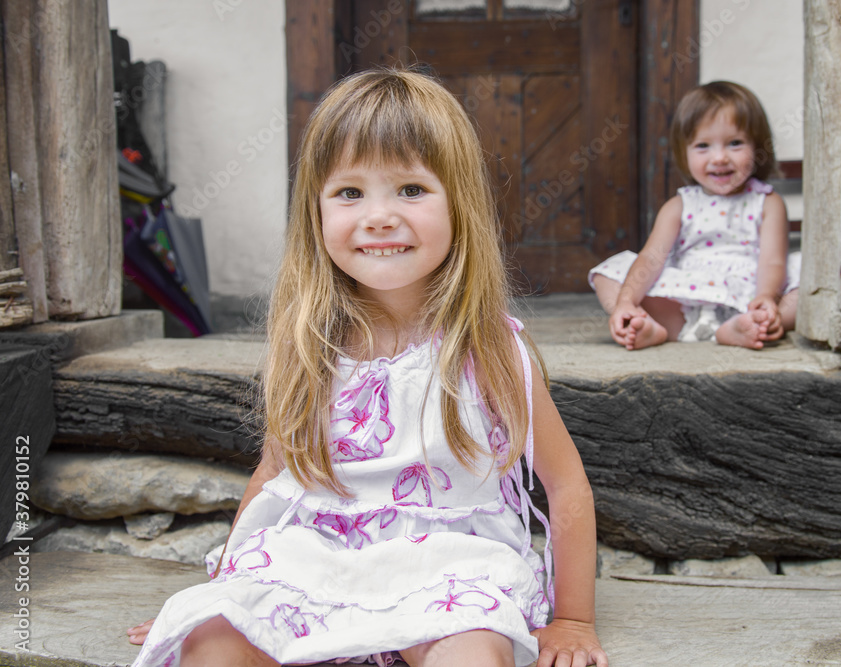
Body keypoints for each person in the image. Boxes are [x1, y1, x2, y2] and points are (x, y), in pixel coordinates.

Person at [126, 68, 607, 667]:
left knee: (473, 656)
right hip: (318, 554)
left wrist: (574, 618)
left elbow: (565, 485)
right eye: (350, 193)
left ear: (460, 204)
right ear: (316, 211)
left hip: (447, 564)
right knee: (213, 644)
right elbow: (273, 472)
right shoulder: (310, 346)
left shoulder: (487, 350)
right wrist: (219, 592)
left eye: (410, 189)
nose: (378, 216)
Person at [590, 81, 800, 351]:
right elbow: (651, 258)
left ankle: (752, 325)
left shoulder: (767, 203)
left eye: (735, 143)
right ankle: (645, 323)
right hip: (684, 298)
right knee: (608, 274)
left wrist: (766, 297)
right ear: (684, 152)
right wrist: (627, 301)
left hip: (748, 296)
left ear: (758, 147)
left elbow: (772, 262)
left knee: (807, 278)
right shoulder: (679, 205)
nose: (720, 157)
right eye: (703, 146)